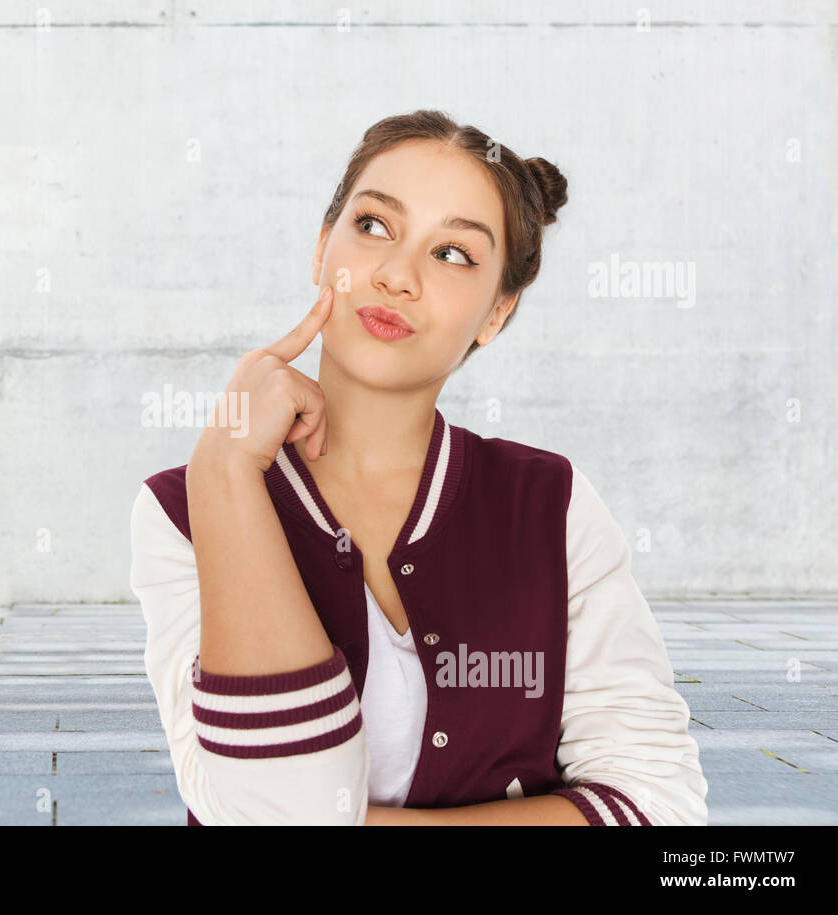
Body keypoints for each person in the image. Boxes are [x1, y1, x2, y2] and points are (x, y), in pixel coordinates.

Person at [129, 110, 708, 826]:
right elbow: (269, 803)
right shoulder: (188, 507)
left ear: (497, 312)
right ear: (321, 249)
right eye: (374, 227)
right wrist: (226, 465)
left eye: (454, 254)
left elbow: (658, 803)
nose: (397, 276)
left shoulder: (550, 504)